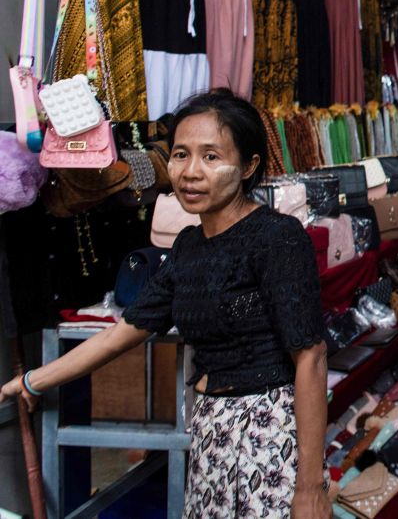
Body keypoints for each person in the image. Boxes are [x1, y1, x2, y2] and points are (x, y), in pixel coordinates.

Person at [1, 90, 331, 519]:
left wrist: (310, 486)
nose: (191, 172)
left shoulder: (278, 237)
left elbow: (312, 356)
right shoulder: (189, 246)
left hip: (268, 434)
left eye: (211, 157)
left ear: (249, 166)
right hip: (211, 430)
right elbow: (125, 332)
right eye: (180, 155)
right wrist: (33, 381)